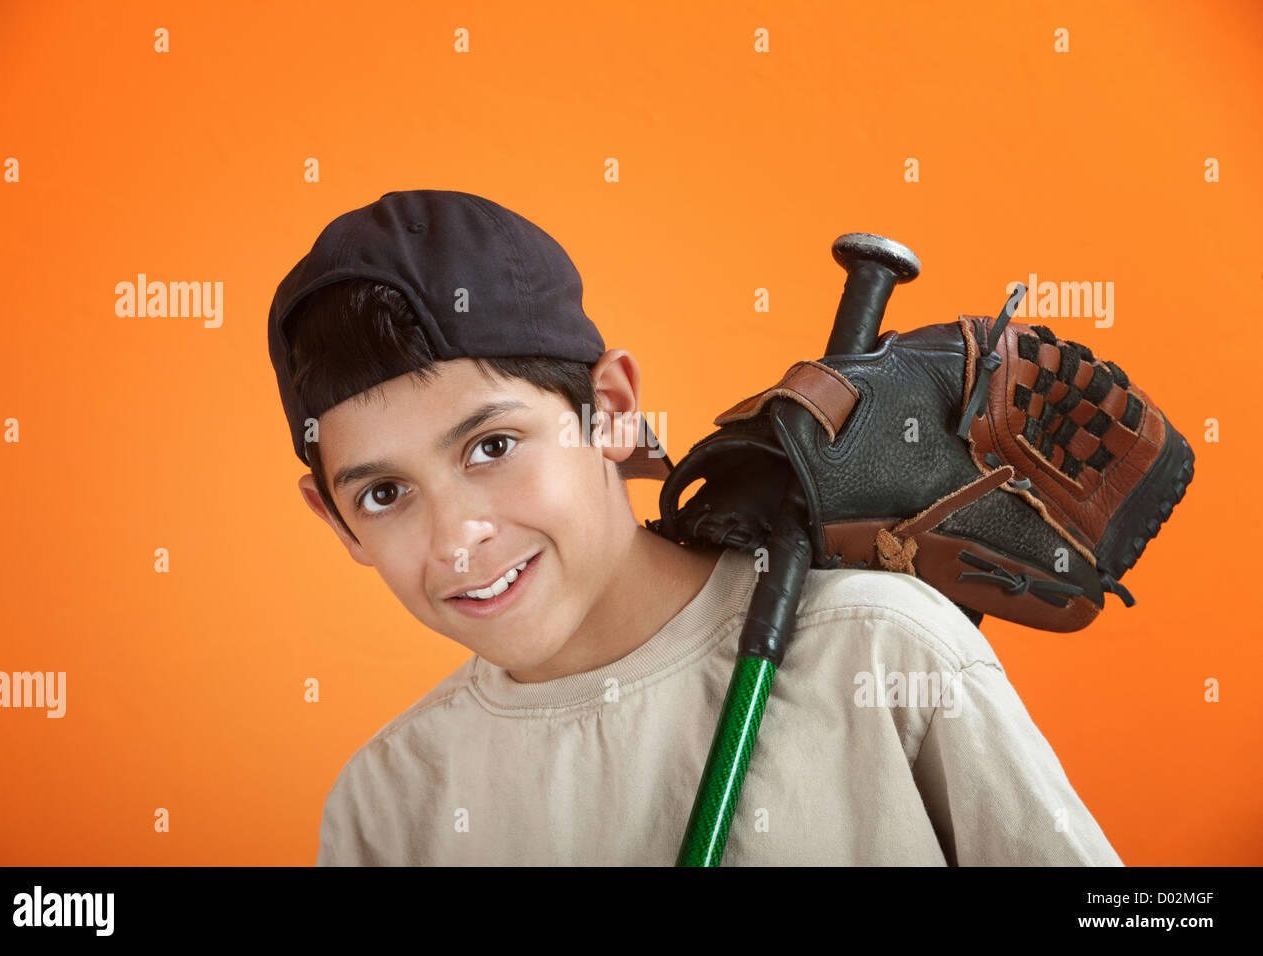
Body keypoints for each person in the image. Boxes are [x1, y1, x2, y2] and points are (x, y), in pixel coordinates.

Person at [266, 189, 1123, 866]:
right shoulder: (385, 805)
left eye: (492, 445)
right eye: (384, 494)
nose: (457, 537)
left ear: (610, 409)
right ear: (336, 520)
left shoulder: (879, 653)